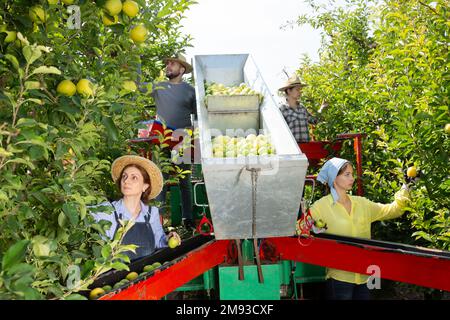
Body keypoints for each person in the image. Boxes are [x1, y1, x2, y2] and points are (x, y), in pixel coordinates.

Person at [309, 157, 410, 300]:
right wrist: (313, 230)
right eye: (347, 174)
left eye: (352, 174)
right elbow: (300, 229)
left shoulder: (362, 204)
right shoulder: (320, 207)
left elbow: (393, 210)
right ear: (334, 178)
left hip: (364, 276)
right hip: (340, 277)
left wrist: (406, 187)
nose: (352, 178)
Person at [91, 155, 181, 261]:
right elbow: (81, 212)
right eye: (124, 176)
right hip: (115, 276)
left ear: (145, 186)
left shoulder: (152, 213)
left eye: (134, 177)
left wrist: (168, 238)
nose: (126, 181)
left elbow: (159, 241)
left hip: (147, 274)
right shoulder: (107, 211)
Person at [151, 54, 196, 230]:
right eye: (167, 63)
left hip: (182, 138)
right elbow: (139, 87)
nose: (168, 66)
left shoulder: (190, 91)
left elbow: (198, 116)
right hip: (162, 137)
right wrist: (135, 60)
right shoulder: (158, 86)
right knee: (160, 179)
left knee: (184, 180)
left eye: (172, 63)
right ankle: (158, 222)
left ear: (182, 69)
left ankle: (188, 219)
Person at [278, 76, 319, 143]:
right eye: (297, 89)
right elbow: (279, 132)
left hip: (306, 147)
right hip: (292, 149)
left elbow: (314, 120)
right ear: (288, 91)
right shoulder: (282, 109)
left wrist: (322, 109)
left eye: (300, 90)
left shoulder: (302, 108)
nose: (300, 92)